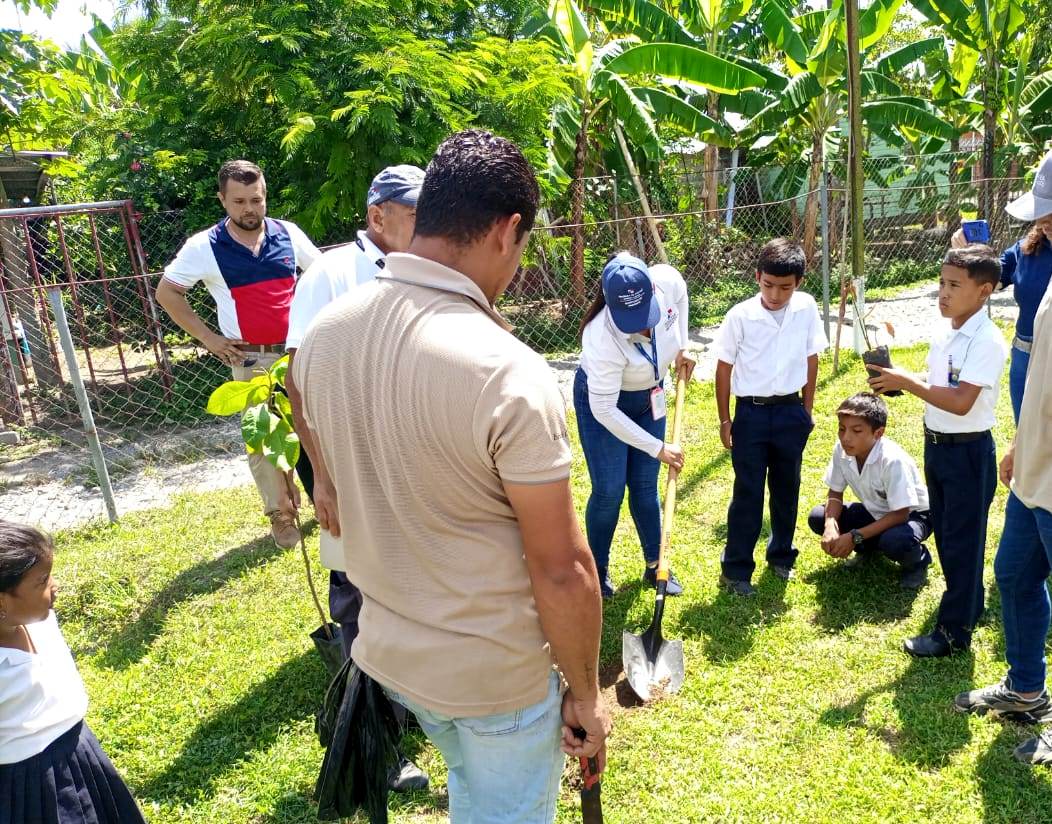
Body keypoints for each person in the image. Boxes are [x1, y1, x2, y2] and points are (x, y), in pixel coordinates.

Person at [292, 130, 610, 822]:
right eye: (522, 248)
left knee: (470, 787)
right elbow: (563, 571)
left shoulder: (324, 334)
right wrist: (585, 694)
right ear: (507, 230)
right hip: (495, 680)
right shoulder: (507, 371)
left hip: (392, 658)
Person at [284, 164, 429, 793]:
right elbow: (296, 380)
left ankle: (411, 700)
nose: (430, 225)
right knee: (357, 594)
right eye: (418, 213)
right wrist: (322, 477)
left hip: (409, 461)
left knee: (410, 582)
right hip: (347, 463)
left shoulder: (422, 272)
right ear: (379, 215)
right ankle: (377, 739)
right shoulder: (332, 274)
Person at [156, 160, 321, 549]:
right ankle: (281, 514)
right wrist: (209, 339)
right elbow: (167, 293)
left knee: (315, 427)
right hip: (251, 361)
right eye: (240, 201)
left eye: (257, 200)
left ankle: (325, 499)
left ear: (266, 195)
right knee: (263, 438)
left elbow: (320, 276)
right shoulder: (205, 247)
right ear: (222, 200)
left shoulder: (288, 234)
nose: (250, 209)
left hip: (299, 354)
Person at [869, 245, 1008, 657]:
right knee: (948, 535)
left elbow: (962, 401)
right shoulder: (948, 330)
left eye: (954, 285)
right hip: (938, 446)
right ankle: (971, 605)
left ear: (984, 291)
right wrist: (901, 382)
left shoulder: (986, 340)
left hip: (967, 452)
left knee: (962, 541)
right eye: (941, 283)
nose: (943, 293)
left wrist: (909, 383)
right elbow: (940, 388)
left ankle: (953, 633)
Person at [955, 233, 1052, 765]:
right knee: (1014, 573)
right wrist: (1021, 441)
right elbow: (1041, 379)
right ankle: (1026, 689)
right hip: (1036, 464)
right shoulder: (1047, 275)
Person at [0, 520, 147, 824]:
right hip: (29, 786)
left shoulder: (40, 618)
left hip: (83, 753)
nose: (55, 586)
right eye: (41, 581)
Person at [574, 252, 695, 598]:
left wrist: (682, 346)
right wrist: (658, 448)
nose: (643, 326)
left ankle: (657, 567)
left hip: (649, 399)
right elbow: (605, 410)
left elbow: (682, 296)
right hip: (605, 406)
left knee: (644, 485)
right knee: (609, 489)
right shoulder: (601, 338)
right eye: (633, 320)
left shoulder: (666, 282)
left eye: (646, 316)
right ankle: (596, 571)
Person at [713, 238, 828, 596]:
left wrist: (806, 410)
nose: (776, 295)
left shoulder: (806, 308)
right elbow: (724, 367)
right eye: (768, 285)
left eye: (785, 288)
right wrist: (725, 419)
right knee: (747, 491)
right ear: (757, 276)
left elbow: (813, 357)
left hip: (790, 411)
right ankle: (736, 570)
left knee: (786, 487)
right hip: (751, 413)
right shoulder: (740, 316)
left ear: (799, 284)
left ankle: (781, 556)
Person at [951, 149, 1052, 423]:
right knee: (1027, 437)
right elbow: (990, 282)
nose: (1044, 222)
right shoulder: (1026, 250)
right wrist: (969, 255)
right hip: (1025, 355)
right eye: (1041, 214)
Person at [807, 392, 932, 589]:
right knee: (818, 516)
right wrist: (830, 524)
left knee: (896, 540)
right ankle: (869, 548)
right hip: (877, 511)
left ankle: (918, 562)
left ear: (878, 433)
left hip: (912, 516)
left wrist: (854, 536)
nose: (846, 437)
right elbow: (835, 493)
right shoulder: (841, 450)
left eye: (856, 431)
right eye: (841, 429)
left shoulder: (892, 460)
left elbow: (900, 515)